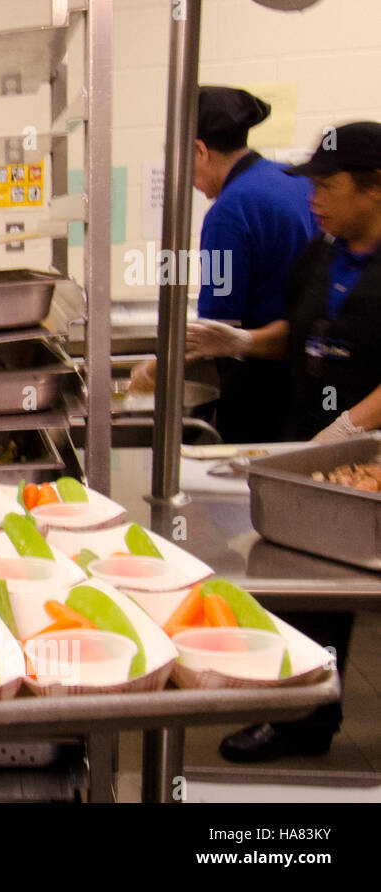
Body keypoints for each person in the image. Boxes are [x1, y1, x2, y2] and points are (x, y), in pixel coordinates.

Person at [213, 121, 381, 762]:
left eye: (327, 186)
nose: (313, 198)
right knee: (311, 587)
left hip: (364, 454)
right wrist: (244, 342)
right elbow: (299, 329)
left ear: (372, 189)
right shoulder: (320, 253)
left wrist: (352, 428)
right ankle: (302, 721)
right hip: (311, 440)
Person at [132, 86, 314, 444]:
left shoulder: (229, 212)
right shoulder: (297, 179)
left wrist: (150, 372)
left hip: (263, 393)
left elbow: (211, 333)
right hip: (308, 383)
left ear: (199, 150)